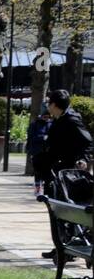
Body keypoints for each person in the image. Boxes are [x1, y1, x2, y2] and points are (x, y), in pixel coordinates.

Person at [34, 89, 93, 260]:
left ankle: (65, 248)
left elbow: (87, 142)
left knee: (62, 210)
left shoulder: (72, 120)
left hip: (66, 175)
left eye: (48, 102)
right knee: (58, 211)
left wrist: (82, 159)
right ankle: (61, 246)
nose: (47, 105)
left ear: (54, 104)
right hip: (54, 172)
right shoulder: (59, 119)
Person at [26, 111, 52, 197]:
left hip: (48, 152)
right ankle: (38, 189)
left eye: (48, 117)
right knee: (37, 171)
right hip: (36, 151)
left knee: (47, 171)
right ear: (41, 116)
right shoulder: (34, 124)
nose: (46, 118)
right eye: (45, 117)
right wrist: (43, 137)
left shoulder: (51, 124)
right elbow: (31, 137)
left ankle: (47, 190)